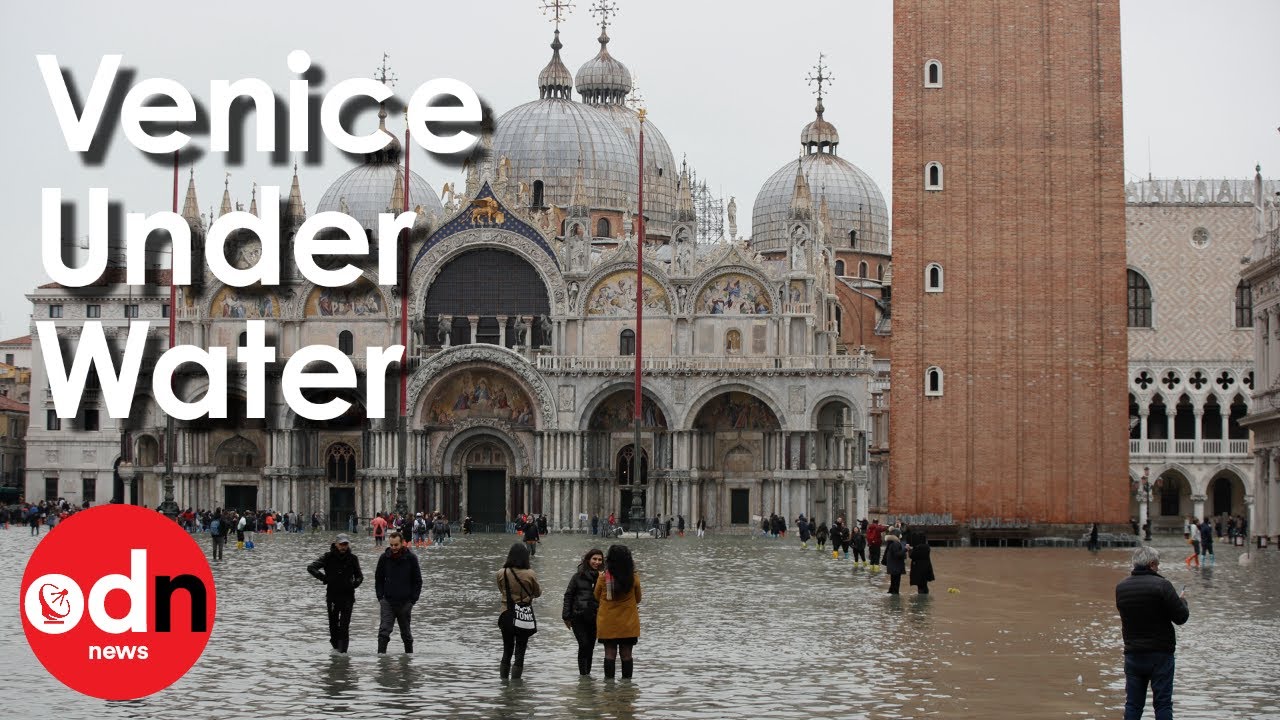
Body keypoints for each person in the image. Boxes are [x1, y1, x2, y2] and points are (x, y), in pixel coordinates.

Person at [1116, 546, 1189, 720]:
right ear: (1151, 564)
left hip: (1133, 654)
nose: (1158, 567)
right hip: (1160, 655)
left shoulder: (1121, 588)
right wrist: (1183, 601)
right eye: (1157, 564)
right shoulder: (1162, 586)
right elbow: (1181, 617)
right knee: (1163, 704)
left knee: (1133, 704)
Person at [307, 533, 363, 654]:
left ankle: (343, 653)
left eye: (345, 544)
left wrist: (354, 583)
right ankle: (336, 649)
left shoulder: (353, 558)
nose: (343, 547)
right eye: (341, 544)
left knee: (344, 626)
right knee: (333, 626)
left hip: (348, 596)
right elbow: (311, 567)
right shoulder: (327, 557)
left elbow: (359, 576)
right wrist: (324, 578)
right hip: (332, 596)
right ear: (336, 544)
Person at [595, 544, 642, 680]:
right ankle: (627, 689)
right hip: (628, 623)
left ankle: (609, 689)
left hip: (607, 622)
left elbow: (596, 596)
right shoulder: (633, 578)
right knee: (627, 655)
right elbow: (638, 599)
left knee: (609, 654)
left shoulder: (603, 578)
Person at [497, 542, 542, 679]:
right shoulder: (530, 574)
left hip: (506, 614)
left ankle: (504, 682)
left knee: (507, 650)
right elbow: (538, 592)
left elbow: (502, 590)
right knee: (520, 651)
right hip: (523, 615)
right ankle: (516, 685)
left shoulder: (501, 572)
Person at [374, 531, 421, 654]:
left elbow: (418, 581)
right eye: (391, 545)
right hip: (387, 601)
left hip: (405, 603)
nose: (393, 548)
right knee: (383, 632)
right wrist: (380, 597)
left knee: (406, 634)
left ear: (402, 543)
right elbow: (378, 578)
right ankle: (381, 660)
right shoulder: (384, 558)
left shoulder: (411, 558)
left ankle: (408, 659)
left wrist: (412, 600)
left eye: (396, 545)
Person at [562, 548, 603, 676]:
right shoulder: (577, 576)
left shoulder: (603, 578)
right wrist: (566, 616)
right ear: (588, 560)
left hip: (595, 617)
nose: (597, 562)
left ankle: (587, 676)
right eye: (594, 559)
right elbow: (568, 595)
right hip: (578, 617)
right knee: (584, 644)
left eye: (599, 560)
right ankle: (583, 675)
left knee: (590, 646)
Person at [883, 528, 907, 594]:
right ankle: (895, 598)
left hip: (892, 566)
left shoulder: (891, 542)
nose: (901, 535)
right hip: (896, 567)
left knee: (893, 583)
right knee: (896, 584)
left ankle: (891, 593)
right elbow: (897, 554)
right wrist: (905, 549)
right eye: (900, 534)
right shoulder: (896, 543)